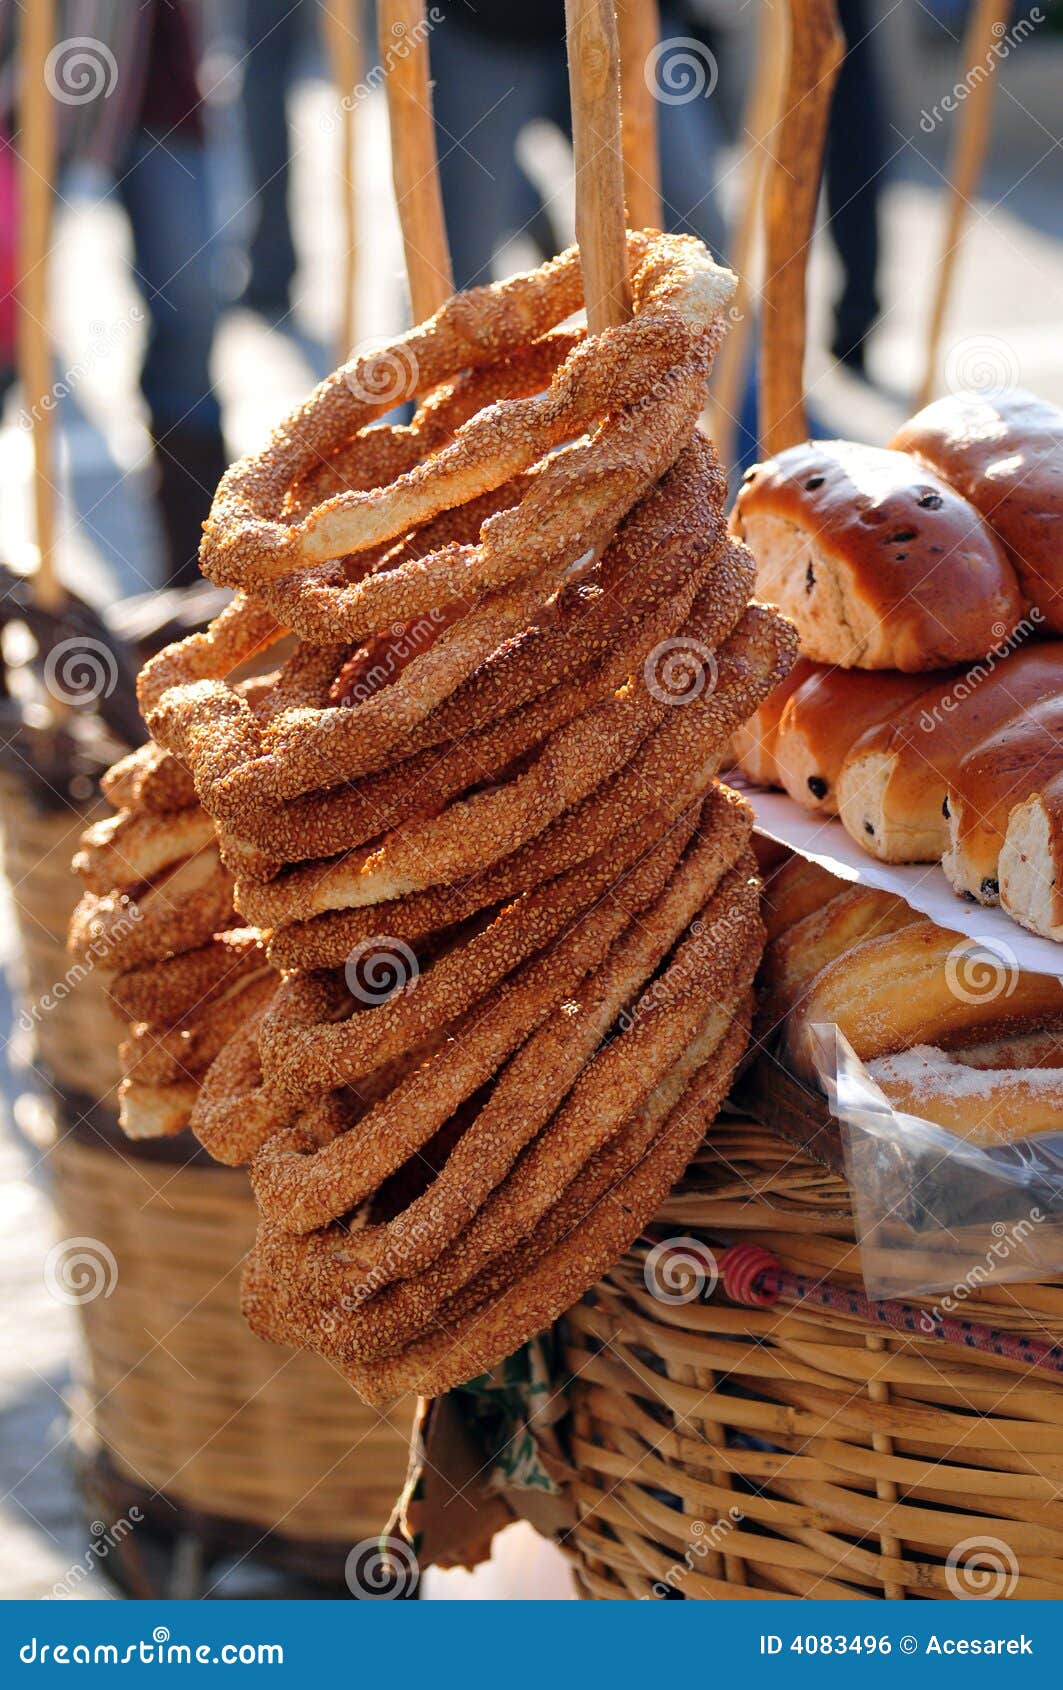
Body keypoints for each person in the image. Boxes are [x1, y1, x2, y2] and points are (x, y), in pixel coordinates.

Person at [2, 0, 226, 586]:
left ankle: (203, 577)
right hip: (20, 83)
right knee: (5, 321)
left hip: (154, 75)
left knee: (191, 303)